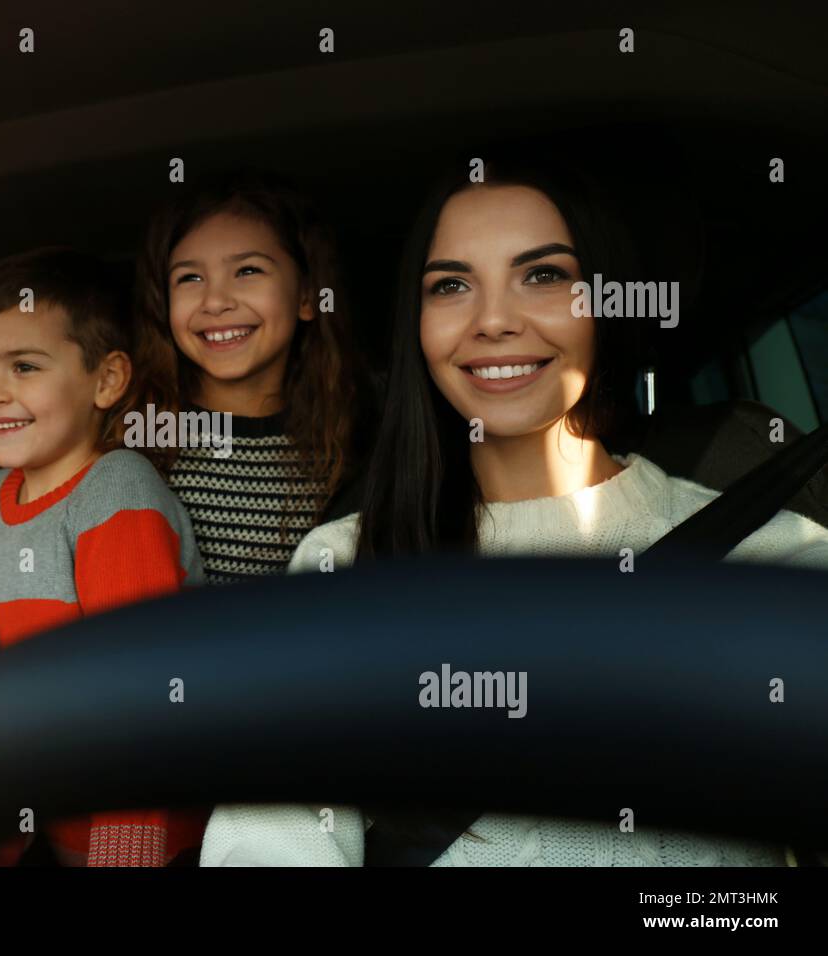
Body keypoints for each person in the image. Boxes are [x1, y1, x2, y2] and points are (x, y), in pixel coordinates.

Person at [200, 158, 828, 867]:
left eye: (543, 276)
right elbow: (270, 838)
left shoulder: (765, 558)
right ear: (418, 324)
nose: (493, 320)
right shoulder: (342, 564)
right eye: (451, 286)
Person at [0, 246, 206, 865]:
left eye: (24, 367)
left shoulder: (115, 490)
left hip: (144, 837)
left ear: (107, 381)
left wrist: (125, 852)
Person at [133, 172, 367, 585]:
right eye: (190, 278)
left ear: (307, 297)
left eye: (248, 271)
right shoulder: (137, 436)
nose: (216, 301)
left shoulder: (349, 443)